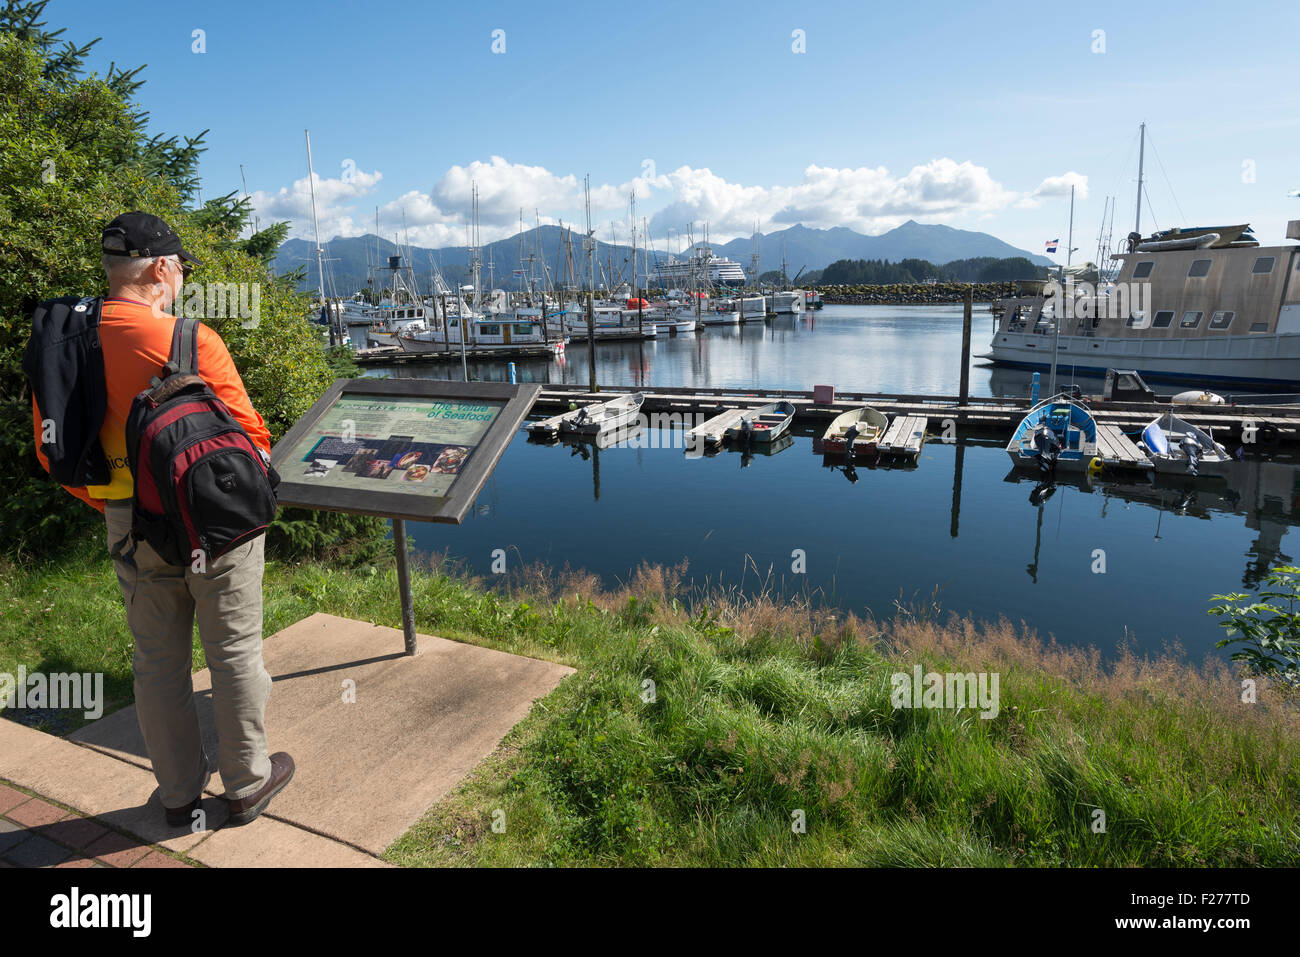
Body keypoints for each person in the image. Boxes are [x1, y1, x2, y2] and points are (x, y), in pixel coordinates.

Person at [30, 211, 294, 828]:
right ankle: (247, 784)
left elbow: (54, 453)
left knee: (156, 663)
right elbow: (254, 444)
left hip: (129, 524)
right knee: (232, 654)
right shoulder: (191, 341)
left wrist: (114, 507)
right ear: (161, 269)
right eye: (178, 269)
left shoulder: (65, 342)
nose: (180, 280)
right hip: (214, 527)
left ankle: (177, 795)